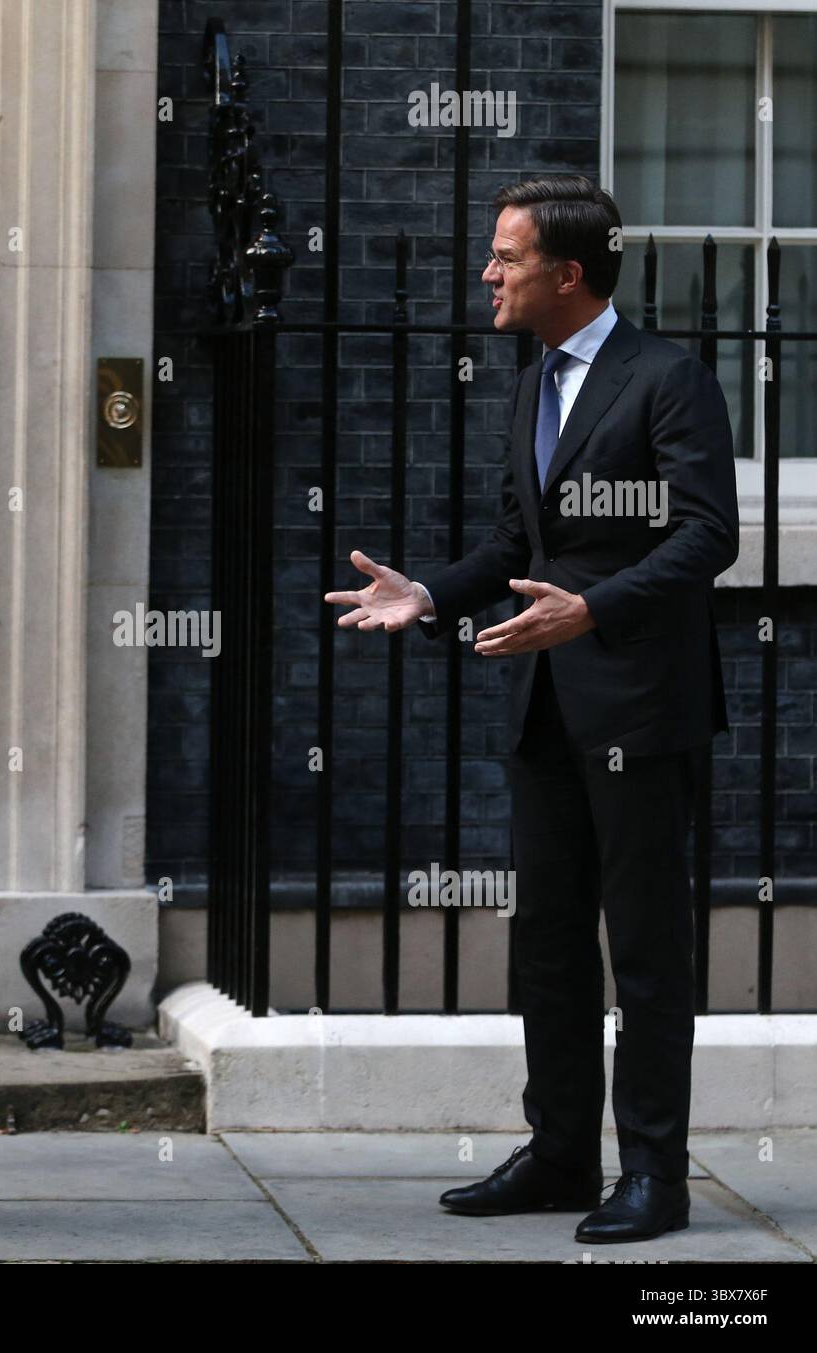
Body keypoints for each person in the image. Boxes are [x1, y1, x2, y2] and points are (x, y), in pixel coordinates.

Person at [325, 176, 738, 1243]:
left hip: (640, 710)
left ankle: (654, 1174)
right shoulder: (530, 387)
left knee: (644, 951)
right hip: (545, 707)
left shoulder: (666, 379)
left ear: (567, 271)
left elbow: (707, 537)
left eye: (505, 257)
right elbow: (520, 550)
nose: (487, 274)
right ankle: (561, 1154)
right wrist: (426, 594)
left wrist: (591, 611)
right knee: (546, 943)